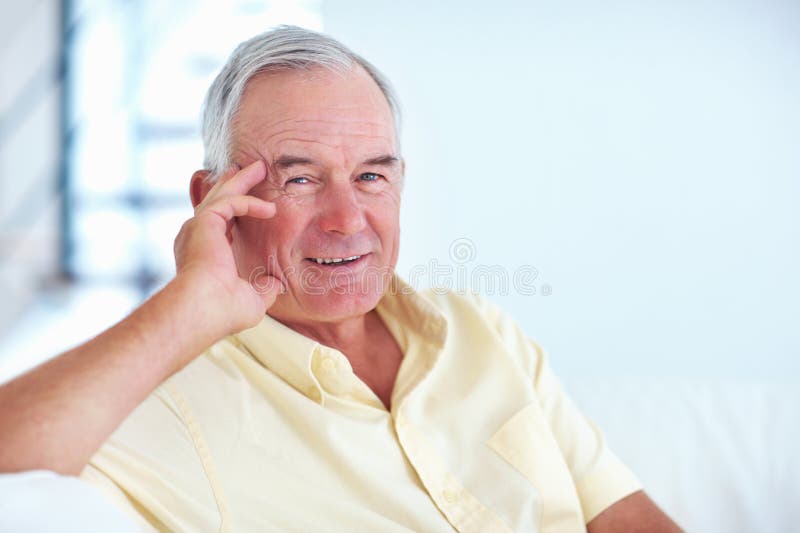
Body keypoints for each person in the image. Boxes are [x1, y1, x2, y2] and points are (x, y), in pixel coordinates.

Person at [0, 26, 681, 532]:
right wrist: (191, 303)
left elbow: (628, 517)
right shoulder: (173, 399)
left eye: (371, 176)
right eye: (301, 179)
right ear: (215, 199)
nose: (347, 217)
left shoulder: (479, 328)